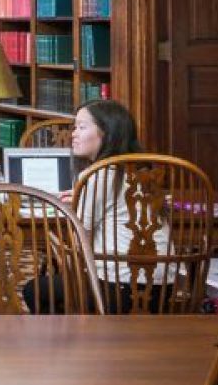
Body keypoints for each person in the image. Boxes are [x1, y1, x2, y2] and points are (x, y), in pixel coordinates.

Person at [64, 97, 158, 313]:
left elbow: (80, 242)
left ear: (106, 133)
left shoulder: (98, 175)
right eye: (74, 127)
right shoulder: (142, 171)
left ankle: (79, 343)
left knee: (35, 289)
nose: (73, 134)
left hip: (117, 287)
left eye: (81, 127)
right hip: (163, 289)